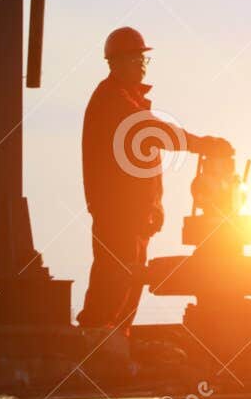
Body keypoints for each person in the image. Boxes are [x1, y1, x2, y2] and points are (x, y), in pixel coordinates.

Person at [78, 27, 224, 332]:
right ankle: (96, 341)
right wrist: (202, 145)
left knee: (129, 281)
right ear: (116, 63)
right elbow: (151, 131)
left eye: (144, 60)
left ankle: (114, 343)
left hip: (133, 214)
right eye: (136, 59)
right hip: (117, 213)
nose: (142, 65)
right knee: (115, 278)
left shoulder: (124, 99)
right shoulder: (113, 100)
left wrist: (153, 208)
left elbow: (144, 167)